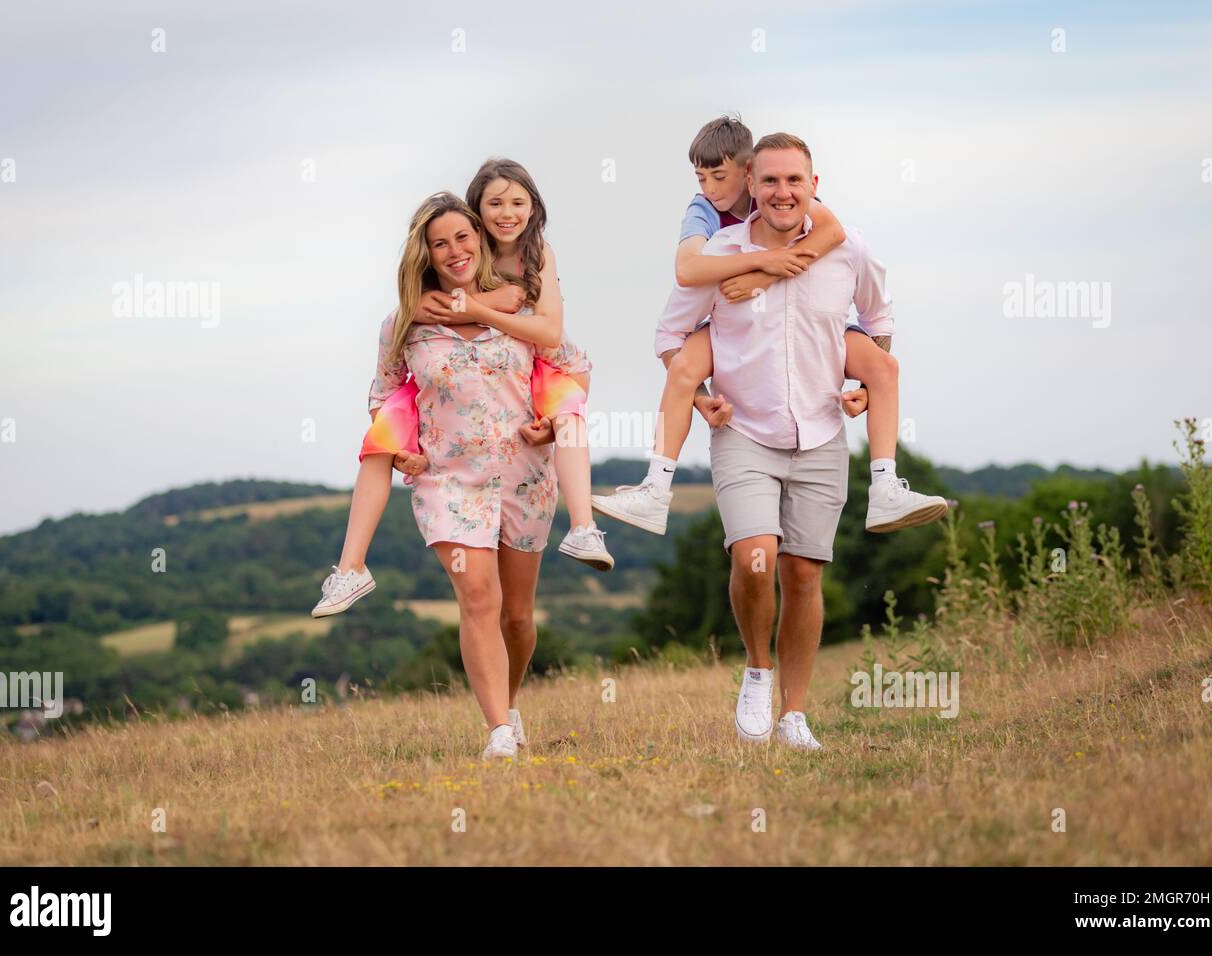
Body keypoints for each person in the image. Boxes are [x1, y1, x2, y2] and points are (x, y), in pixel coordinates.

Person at [654, 133, 925, 750]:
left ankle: (794, 714)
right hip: (744, 431)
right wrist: (698, 397)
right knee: (754, 558)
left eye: (794, 181)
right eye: (771, 181)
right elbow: (670, 334)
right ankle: (756, 670)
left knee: (803, 574)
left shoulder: (848, 249)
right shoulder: (722, 250)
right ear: (753, 184)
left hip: (822, 433)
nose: (782, 192)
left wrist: (864, 380)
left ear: (813, 185)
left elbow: (879, 324)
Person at [592, 114, 945, 536]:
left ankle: (886, 486)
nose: (708, 188)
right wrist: (760, 261)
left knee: (885, 368)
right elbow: (687, 270)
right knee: (685, 366)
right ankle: (655, 488)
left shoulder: (799, 201)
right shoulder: (705, 210)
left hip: (810, 323)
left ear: (744, 174)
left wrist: (765, 275)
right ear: (754, 179)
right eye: (700, 177)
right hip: (729, 319)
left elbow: (831, 234)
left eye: (717, 176)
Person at [312, 160, 612, 620]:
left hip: (533, 382)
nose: (506, 214)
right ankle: (351, 567)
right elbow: (387, 382)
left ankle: (584, 525)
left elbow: (556, 340)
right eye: (494, 204)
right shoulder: (415, 312)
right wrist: (399, 446)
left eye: (517, 203)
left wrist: (481, 308)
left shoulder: (534, 258)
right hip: (443, 443)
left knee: (517, 616)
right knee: (379, 441)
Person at [343, 191, 562, 759]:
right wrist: (399, 449)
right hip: (447, 480)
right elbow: (384, 391)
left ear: (482, 241)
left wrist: (552, 423)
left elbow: (569, 367)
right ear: (425, 254)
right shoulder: (405, 322)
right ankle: (497, 732)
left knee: (516, 616)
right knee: (477, 597)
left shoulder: (518, 305)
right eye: (439, 243)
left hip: (525, 475)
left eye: (463, 237)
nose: (454, 250)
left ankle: (508, 707)